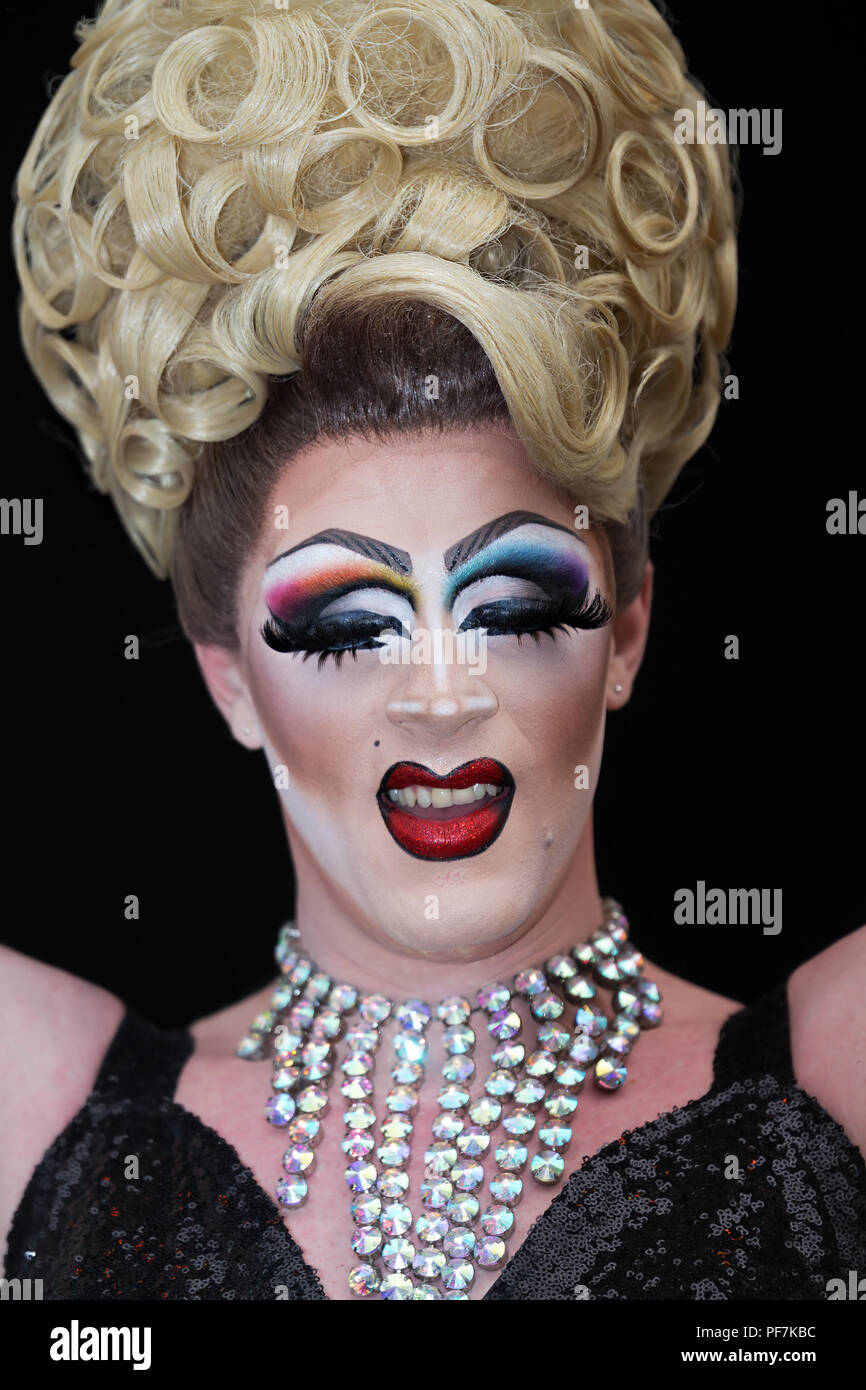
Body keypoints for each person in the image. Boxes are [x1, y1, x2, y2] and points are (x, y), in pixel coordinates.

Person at [2, 0, 864, 1301]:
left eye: (517, 605)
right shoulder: (41, 1104)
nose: (445, 693)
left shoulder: (836, 1068)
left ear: (625, 631)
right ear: (228, 677)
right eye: (347, 626)